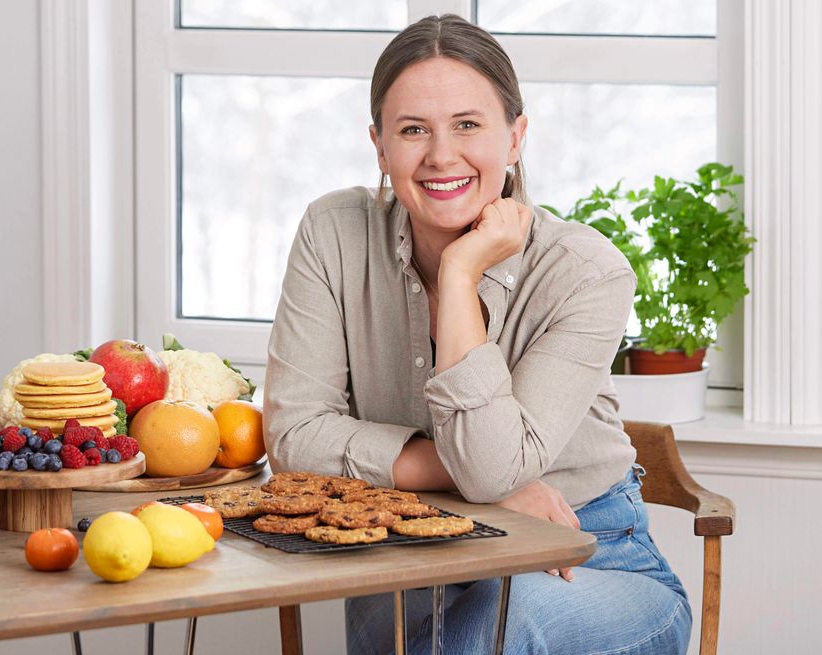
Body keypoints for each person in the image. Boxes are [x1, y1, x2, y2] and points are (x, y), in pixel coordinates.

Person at [263, 13, 691, 655]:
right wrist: (461, 480)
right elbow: (295, 436)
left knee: (498, 626)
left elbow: (489, 468)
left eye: (468, 124)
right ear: (379, 145)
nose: (441, 155)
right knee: (419, 627)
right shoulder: (334, 233)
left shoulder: (585, 273)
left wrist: (461, 275)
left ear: (515, 137)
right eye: (413, 130)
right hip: (410, 539)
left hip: (587, 553)